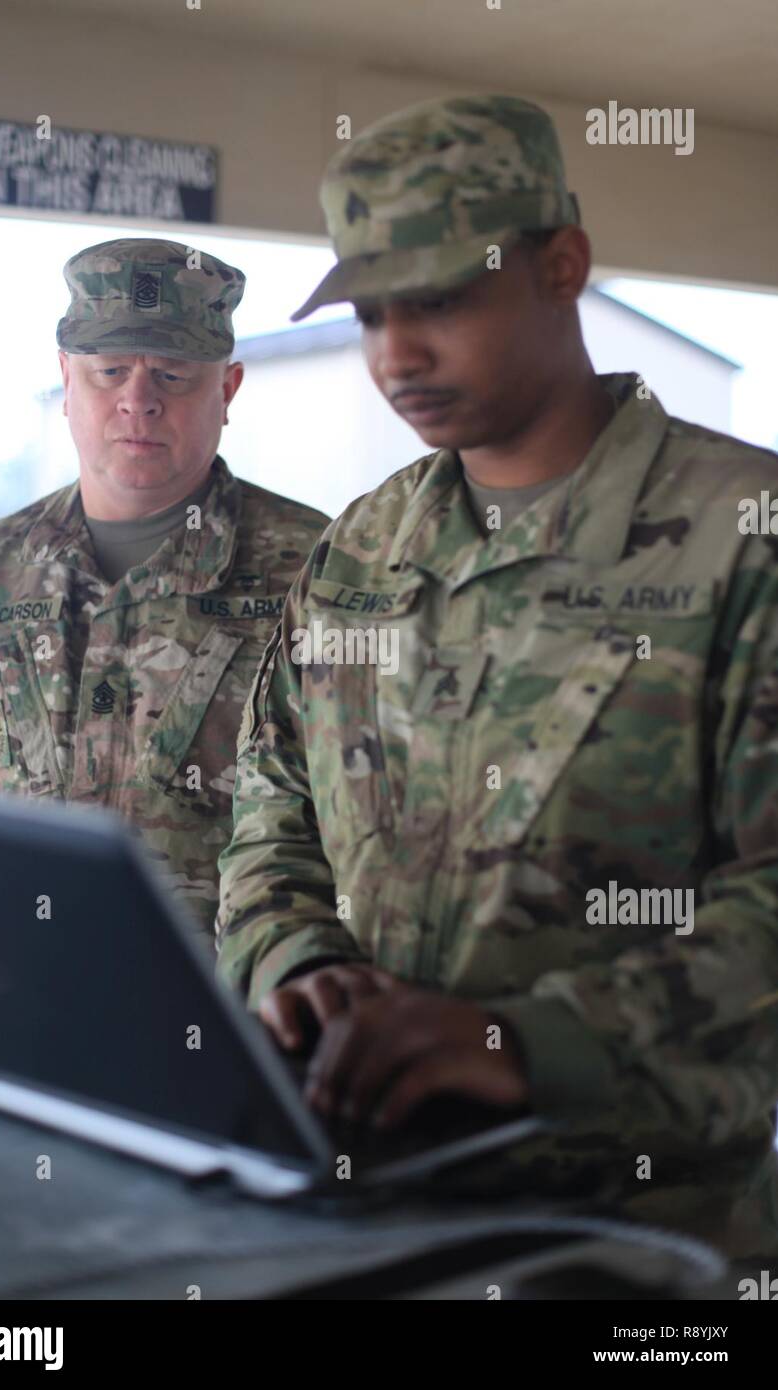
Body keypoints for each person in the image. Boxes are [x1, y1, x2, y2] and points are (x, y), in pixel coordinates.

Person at [215, 95, 778, 1258]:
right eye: (370, 311)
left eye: (435, 301)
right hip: (365, 1210)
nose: (392, 354)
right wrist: (301, 970)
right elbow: (271, 808)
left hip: (642, 1236)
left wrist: (514, 1042)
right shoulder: (359, 548)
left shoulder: (740, 535)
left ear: (561, 266)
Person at [0, 237, 328, 941]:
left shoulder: (317, 572)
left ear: (226, 390)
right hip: (17, 1006)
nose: (138, 402)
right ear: (66, 379)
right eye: (109, 371)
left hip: (224, 1023)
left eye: (172, 375)